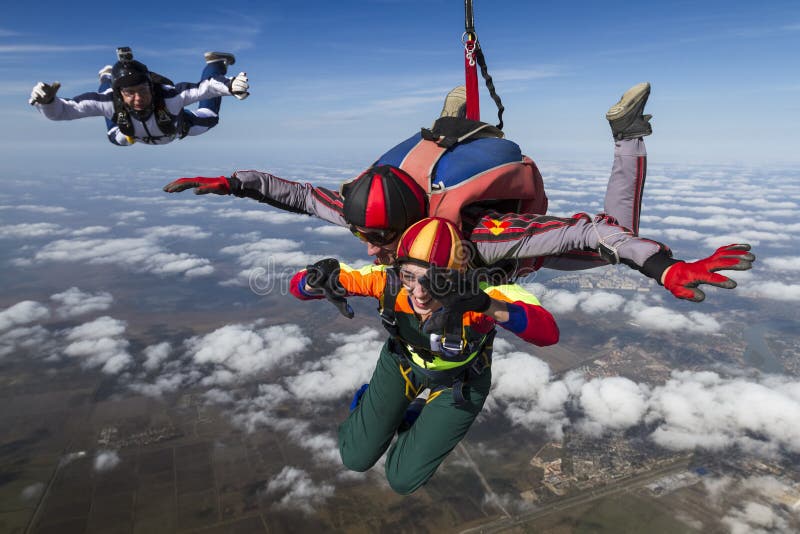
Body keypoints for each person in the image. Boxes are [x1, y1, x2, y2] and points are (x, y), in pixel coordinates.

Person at [164, 83, 755, 303]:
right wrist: (232, 184)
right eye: (368, 238)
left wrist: (662, 267)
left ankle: (627, 136)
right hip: (467, 245)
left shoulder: (484, 238)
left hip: (514, 247)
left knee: (611, 239)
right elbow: (292, 194)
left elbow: (593, 231)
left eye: (382, 240)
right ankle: (452, 122)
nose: (373, 249)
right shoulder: (361, 210)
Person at [289, 218, 559, 494]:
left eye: (435, 281)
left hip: (461, 381)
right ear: (400, 270)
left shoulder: (480, 294)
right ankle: (388, 408)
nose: (419, 292)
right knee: (355, 457)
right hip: (403, 363)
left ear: (455, 275)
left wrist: (486, 305)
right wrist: (313, 282)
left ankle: (413, 414)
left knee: (403, 479)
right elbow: (300, 287)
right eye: (409, 276)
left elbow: (547, 332)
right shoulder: (387, 282)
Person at [29, 49, 249, 146]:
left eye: (142, 90)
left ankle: (215, 63)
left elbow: (207, 88)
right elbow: (62, 111)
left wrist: (230, 85)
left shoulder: (170, 96)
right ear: (119, 93)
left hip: (175, 128)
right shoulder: (108, 101)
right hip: (134, 131)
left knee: (209, 117)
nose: (137, 99)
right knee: (118, 137)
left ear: (151, 87)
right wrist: (48, 103)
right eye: (129, 93)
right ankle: (107, 77)